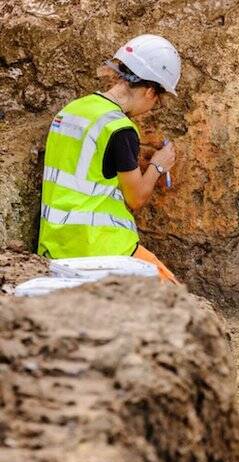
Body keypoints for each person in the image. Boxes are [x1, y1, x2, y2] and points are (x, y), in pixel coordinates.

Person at [37, 34, 181, 283]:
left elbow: (85, 167)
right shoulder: (119, 129)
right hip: (102, 248)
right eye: (157, 100)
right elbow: (136, 198)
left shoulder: (71, 110)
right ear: (150, 91)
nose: (152, 107)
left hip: (55, 247)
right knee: (176, 297)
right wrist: (158, 166)